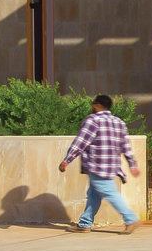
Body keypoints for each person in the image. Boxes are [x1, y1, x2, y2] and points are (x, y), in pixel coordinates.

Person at [58, 94, 138, 233]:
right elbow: (126, 145)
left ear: (97, 105)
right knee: (94, 194)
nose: (92, 106)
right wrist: (132, 164)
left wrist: (67, 160)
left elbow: (81, 142)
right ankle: (85, 223)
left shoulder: (93, 121)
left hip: (97, 165)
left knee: (109, 192)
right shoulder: (119, 122)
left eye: (93, 104)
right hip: (112, 166)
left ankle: (130, 219)